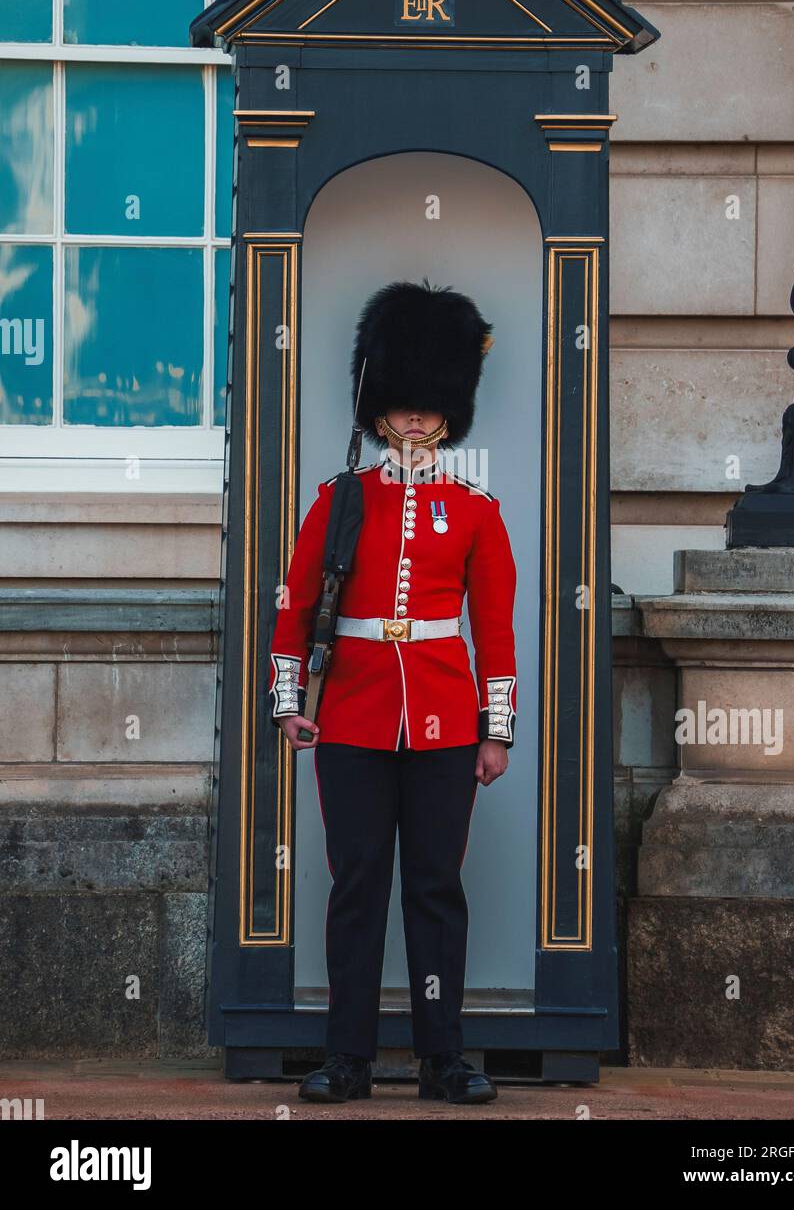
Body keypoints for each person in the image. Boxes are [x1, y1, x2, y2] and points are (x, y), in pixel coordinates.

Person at [269, 279, 517, 1105]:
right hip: (351, 717)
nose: (414, 419)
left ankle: (443, 1058)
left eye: (427, 406)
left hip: (447, 721)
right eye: (402, 406)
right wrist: (287, 698)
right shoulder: (340, 502)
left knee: (436, 889)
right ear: (379, 412)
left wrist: (498, 729)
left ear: (449, 412)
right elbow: (298, 602)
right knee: (358, 885)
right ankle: (350, 1058)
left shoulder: (477, 511)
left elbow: (496, 630)